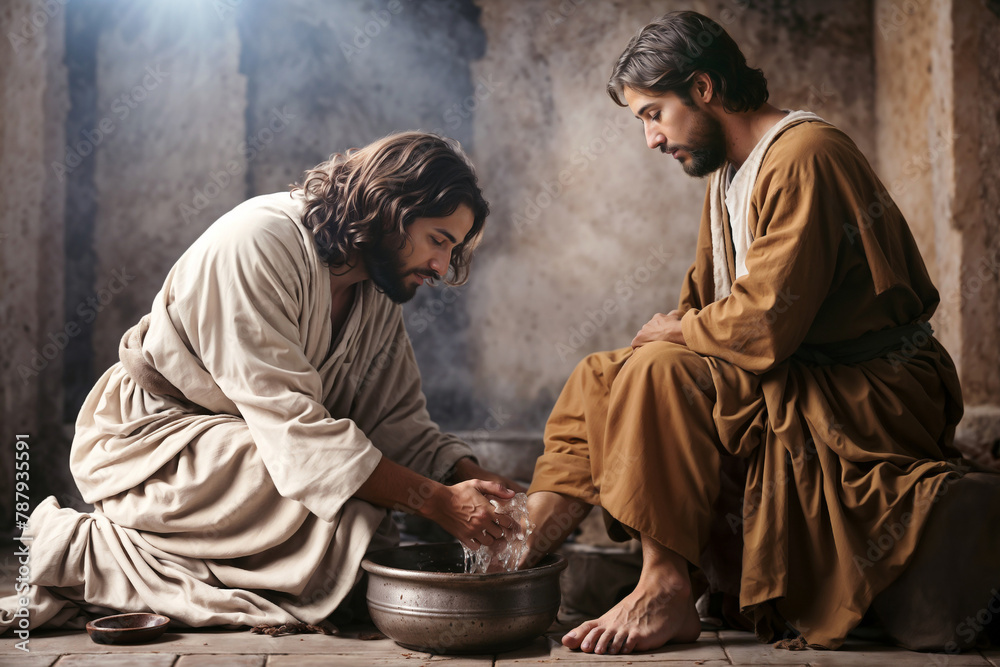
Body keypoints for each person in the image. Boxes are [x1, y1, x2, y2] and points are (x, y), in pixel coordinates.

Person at [522, 10, 999, 656]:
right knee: (599, 375)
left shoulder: (807, 155)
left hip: (866, 391)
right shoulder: (725, 177)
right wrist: (677, 329)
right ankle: (518, 551)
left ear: (704, 89)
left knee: (657, 372)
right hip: (792, 371)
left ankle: (664, 584)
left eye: (653, 114)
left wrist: (678, 332)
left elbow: (767, 321)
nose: (651, 140)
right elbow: (706, 305)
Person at [0, 131, 522, 633]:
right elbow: (293, 430)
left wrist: (483, 485)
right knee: (352, 508)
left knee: (357, 513)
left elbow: (397, 421)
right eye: (438, 240)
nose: (441, 266)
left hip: (259, 439)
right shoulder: (260, 242)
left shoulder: (375, 290)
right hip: (154, 439)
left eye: (452, 251)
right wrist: (434, 500)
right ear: (390, 209)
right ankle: (79, 550)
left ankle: (207, 570)